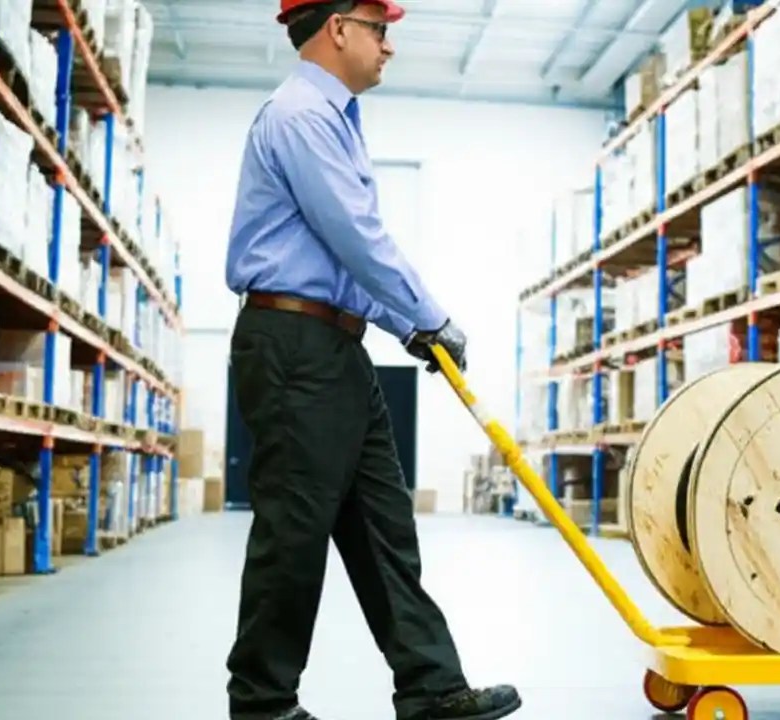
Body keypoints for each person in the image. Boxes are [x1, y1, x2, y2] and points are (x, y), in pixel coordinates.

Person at [221, 1, 522, 719]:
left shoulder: (334, 120)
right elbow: (357, 238)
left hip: (334, 344)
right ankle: (262, 703)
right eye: (380, 29)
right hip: (294, 346)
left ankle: (431, 687)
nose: (389, 46)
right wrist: (430, 316)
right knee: (295, 531)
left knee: (385, 523)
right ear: (337, 28)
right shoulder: (301, 116)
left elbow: (343, 259)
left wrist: (408, 329)